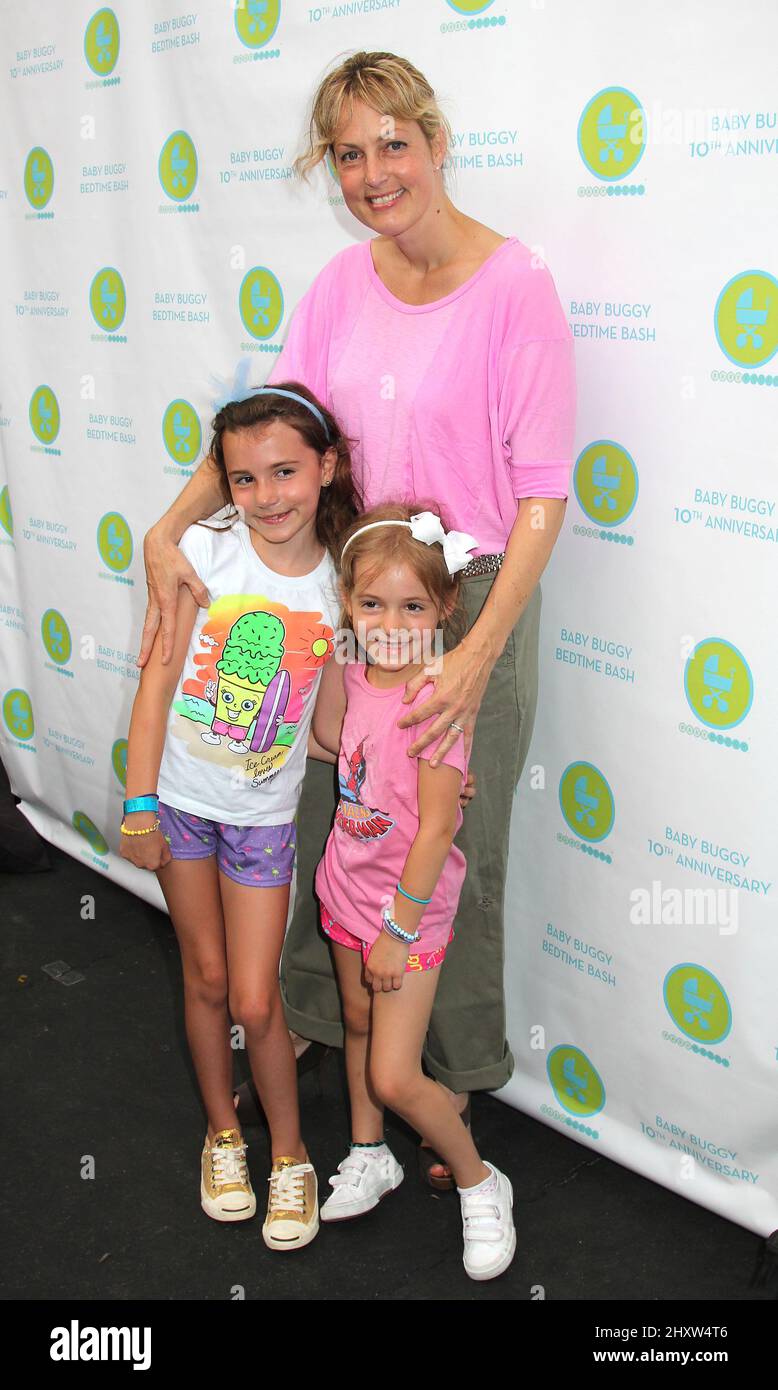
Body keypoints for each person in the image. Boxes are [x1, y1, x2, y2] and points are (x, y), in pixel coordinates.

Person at [139, 50, 576, 1186]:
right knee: (330, 817)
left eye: (393, 142)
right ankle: (327, 1047)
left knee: (448, 844)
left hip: (464, 601)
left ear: (434, 140)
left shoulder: (514, 283)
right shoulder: (339, 285)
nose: (373, 173)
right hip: (351, 588)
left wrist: (477, 653)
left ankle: (452, 1088)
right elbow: (271, 428)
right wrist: (168, 528)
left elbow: (542, 494)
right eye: (348, 152)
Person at [120, 381, 357, 1249]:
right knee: (207, 981)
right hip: (181, 808)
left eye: (287, 472)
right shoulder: (202, 553)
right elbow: (156, 682)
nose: (268, 497)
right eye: (246, 478)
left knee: (258, 1001)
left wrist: (408, 773)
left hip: (261, 823)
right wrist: (141, 804)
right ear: (223, 481)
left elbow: (328, 723)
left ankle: (289, 1155)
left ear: (326, 467)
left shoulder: (343, 581)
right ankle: (224, 1135)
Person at [311, 501, 516, 1281]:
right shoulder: (357, 669)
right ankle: (372, 1155)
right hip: (346, 892)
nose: (389, 623)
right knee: (358, 1026)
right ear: (348, 605)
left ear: (444, 609)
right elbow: (333, 738)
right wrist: (337, 656)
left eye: (410, 606)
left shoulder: (437, 697)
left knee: (396, 1074)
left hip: (408, 914)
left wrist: (397, 928)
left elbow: (434, 833)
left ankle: (479, 1179)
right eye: (370, 604)